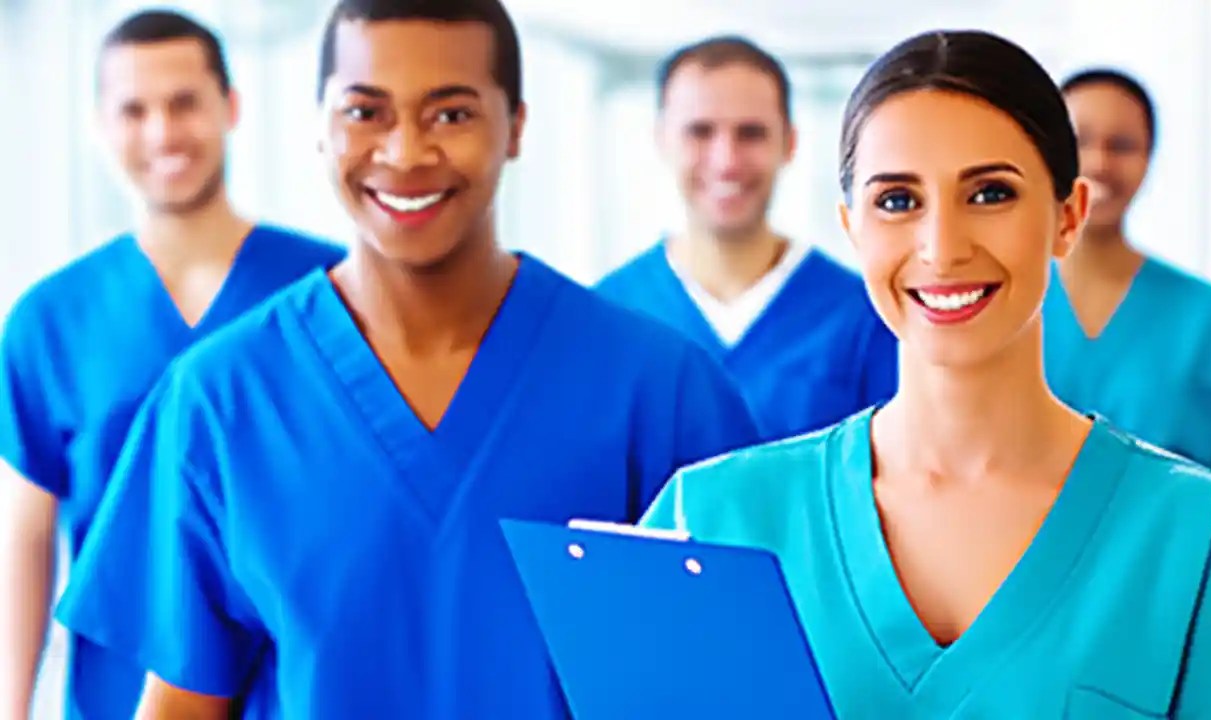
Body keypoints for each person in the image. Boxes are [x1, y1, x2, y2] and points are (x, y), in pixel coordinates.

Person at [54, 0, 759, 717]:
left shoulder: (659, 392)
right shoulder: (221, 400)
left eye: (451, 115)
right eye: (366, 113)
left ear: (515, 126)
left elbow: (737, 691)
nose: (405, 153)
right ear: (320, 128)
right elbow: (184, 702)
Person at [641, 30, 1211, 719]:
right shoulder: (709, 522)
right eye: (896, 201)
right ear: (852, 227)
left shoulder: (1195, 535)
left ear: (1068, 217)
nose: (942, 248)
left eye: (989, 193)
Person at [0, 10, 345, 719]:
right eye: (134, 110)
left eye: (184, 103)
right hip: (117, 693)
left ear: (231, 107)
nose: (162, 133)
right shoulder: (50, 319)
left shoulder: (330, 295)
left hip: (293, 691)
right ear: (100, 124)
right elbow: (29, 534)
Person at [596, 36, 897, 442]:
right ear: (662, 139)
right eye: (700, 132)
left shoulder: (864, 320)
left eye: (751, 133)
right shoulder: (607, 316)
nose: (726, 161)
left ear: (789, 143)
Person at [1042, 68, 1211, 501]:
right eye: (1081, 141)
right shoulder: (996, 305)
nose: (1099, 162)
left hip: (1177, 566)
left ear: (1151, 156)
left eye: (1123, 145)